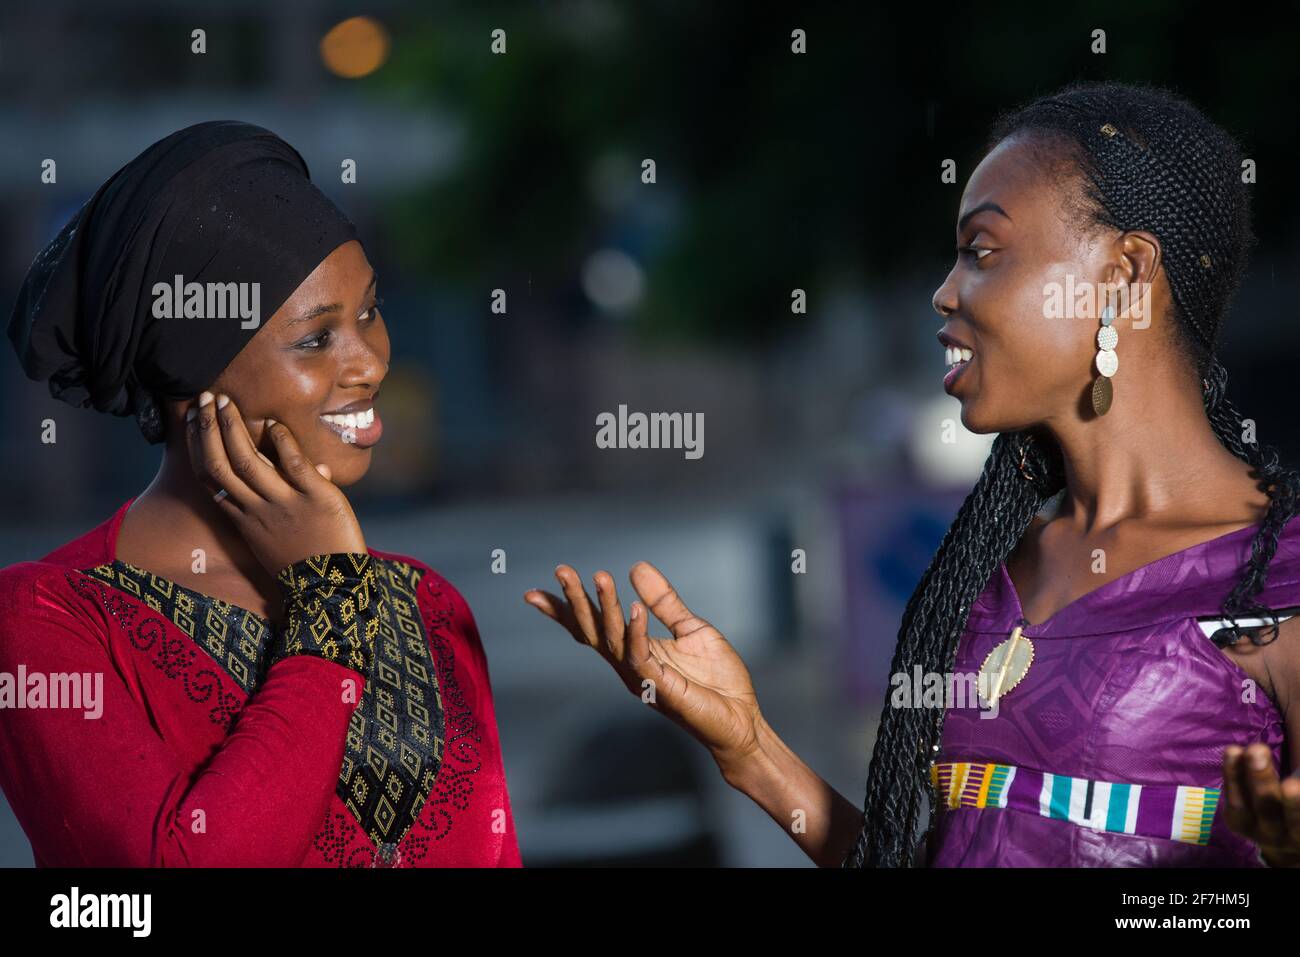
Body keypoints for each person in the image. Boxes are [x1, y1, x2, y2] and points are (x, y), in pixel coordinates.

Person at [525, 81, 1300, 867]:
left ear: (1126, 275)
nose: (946, 291)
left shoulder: (1278, 581)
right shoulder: (993, 567)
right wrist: (752, 749)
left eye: (982, 251)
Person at [0, 121, 521, 867]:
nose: (370, 364)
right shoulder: (46, 624)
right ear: (191, 384)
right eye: (315, 339)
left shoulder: (429, 605)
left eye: (370, 313)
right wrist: (330, 610)